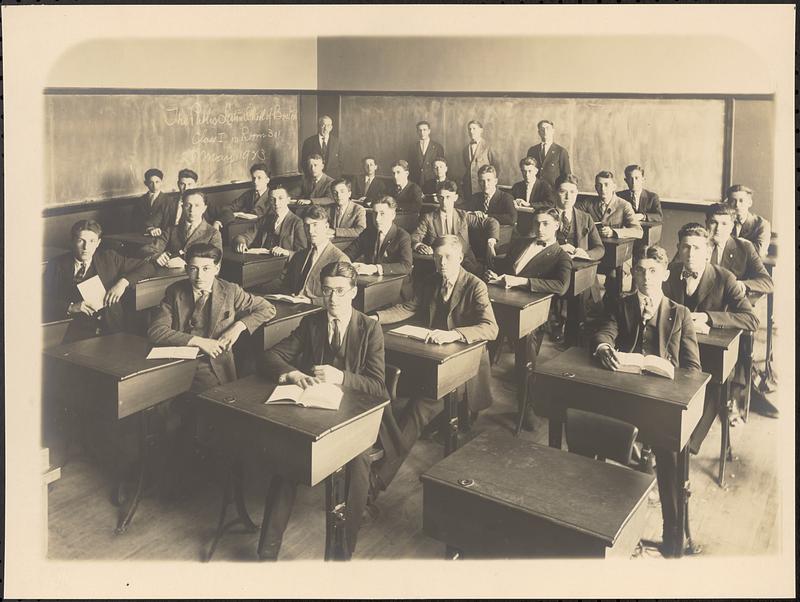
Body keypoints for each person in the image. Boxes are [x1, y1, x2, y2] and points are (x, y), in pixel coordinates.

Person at [259, 262, 386, 559]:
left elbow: (379, 388)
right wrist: (292, 375)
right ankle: (266, 553)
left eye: (340, 291)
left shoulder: (369, 328)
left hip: (355, 416)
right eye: (327, 290)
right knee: (286, 459)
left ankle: (342, 556)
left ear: (353, 292)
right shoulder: (312, 323)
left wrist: (341, 377)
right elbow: (271, 356)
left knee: (358, 467)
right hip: (314, 412)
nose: (332, 298)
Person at [593, 245, 701, 558]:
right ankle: (595, 529)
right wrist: (603, 348)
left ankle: (672, 538)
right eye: (639, 270)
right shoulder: (619, 303)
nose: (645, 277)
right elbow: (605, 331)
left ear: (666, 275)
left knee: (670, 454)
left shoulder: (679, 313)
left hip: (662, 402)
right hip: (622, 394)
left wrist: (673, 384)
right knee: (590, 432)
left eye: (653, 271)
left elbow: (692, 369)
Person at [370, 235, 499, 494]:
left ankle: (377, 481)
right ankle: (377, 452)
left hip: (462, 367)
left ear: (460, 258)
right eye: (437, 257)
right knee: (382, 387)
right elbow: (408, 307)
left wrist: (455, 334)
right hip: (431, 360)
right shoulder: (431, 281)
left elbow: (491, 328)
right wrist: (374, 318)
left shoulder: (475, 285)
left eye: (448, 257)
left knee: (419, 408)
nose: (442, 263)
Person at [663, 223, 758, 485]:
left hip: (710, 356)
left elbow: (750, 319)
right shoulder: (669, 273)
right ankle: (658, 439)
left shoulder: (724, 278)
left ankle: (685, 446)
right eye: (685, 247)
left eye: (697, 248)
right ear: (678, 250)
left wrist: (708, 317)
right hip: (675, 351)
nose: (690, 253)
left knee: (711, 388)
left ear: (708, 252)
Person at [485, 207, 572, 430]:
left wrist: (522, 282)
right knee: (483, 349)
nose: (540, 229)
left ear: (557, 226)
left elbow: (561, 286)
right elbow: (506, 267)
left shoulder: (560, 255)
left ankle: (527, 409)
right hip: (505, 304)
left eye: (545, 224)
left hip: (534, 313)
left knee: (526, 362)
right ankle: (473, 405)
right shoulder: (522, 242)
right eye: (537, 223)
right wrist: (494, 275)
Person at [148, 243, 276, 392]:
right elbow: (156, 331)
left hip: (213, 363)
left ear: (217, 269)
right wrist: (199, 342)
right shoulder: (174, 291)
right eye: (193, 269)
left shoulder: (230, 290)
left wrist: (238, 327)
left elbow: (268, 308)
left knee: (207, 394)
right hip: (179, 360)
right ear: (186, 269)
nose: (199, 276)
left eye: (206, 269)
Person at [43, 219, 154, 343]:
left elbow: (147, 266)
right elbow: (41, 300)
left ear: (98, 243)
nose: (86, 247)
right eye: (81, 241)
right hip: (74, 332)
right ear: (73, 241)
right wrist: (71, 307)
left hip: (111, 329)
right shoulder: (57, 264)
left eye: (92, 241)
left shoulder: (109, 258)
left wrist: (122, 284)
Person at [549, 173, 605, 340]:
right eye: (563, 191)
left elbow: (600, 248)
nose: (568, 197)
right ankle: (556, 322)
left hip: (578, 270)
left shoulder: (585, 218)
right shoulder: (544, 215)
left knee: (582, 290)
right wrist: (557, 249)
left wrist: (585, 253)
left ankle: (573, 333)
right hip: (551, 269)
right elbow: (533, 244)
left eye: (572, 192)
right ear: (554, 192)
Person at [265, 204, 351, 304]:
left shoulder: (339, 259)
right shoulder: (299, 255)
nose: (310, 231)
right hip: (294, 306)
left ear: (326, 227)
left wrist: (311, 301)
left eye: (315, 225)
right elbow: (286, 285)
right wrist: (288, 296)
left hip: (318, 310)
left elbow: (344, 298)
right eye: (307, 226)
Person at [578, 170, 643, 303]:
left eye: (607, 185)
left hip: (615, 256)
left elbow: (638, 231)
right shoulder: (587, 203)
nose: (603, 189)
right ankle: (590, 307)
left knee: (613, 279)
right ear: (595, 187)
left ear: (614, 186)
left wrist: (615, 232)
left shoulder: (624, 205)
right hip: (592, 252)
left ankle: (611, 311)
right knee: (580, 275)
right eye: (599, 185)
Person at [412, 179, 499, 275]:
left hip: (465, 262)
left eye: (448, 197)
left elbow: (492, 222)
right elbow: (414, 237)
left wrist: (491, 242)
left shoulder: (463, 216)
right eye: (441, 197)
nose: (444, 201)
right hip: (440, 264)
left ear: (455, 197)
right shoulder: (428, 218)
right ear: (437, 198)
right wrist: (418, 245)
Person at [344, 195, 413, 298]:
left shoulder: (402, 236)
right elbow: (349, 253)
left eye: (382, 214)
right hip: (370, 285)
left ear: (393, 215)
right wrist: (347, 263)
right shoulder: (368, 232)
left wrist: (374, 268)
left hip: (396, 289)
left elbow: (406, 266)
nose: (377, 219)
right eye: (374, 214)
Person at [704, 203, 773, 294]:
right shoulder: (694, 244)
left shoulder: (744, 247)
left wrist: (739, 285)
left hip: (729, 303)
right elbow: (679, 273)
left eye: (724, 224)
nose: (718, 229)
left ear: (731, 226)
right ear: (706, 223)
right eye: (713, 223)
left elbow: (767, 283)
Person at [141, 190, 222, 265]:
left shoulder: (213, 233)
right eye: (188, 205)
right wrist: (156, 256)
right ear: (182, 207)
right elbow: (146, 249)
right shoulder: (172, 230)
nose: (192, 210)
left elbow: (215, 263)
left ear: (204, 208)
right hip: (171, 275)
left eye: (197, 205)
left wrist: (185, 264)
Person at [232, 185, 307, 257]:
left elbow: (302, 253)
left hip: (284, 266)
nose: (276, 203)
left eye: (280, 198)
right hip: (262, 261)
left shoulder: (297, 222)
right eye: (272, 199)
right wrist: (241, 242)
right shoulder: (265, 219)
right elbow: (245, 236)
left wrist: (286, 252)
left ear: (288, 200)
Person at [213, 163, 273, 228]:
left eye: (259, 178)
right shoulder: (248, 194)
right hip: (246, 228)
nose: (255, 181)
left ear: (267, 180)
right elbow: (231, 207)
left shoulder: (273, 196)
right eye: (253, 178)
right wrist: (219, 221)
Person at [726, 184, 771, 258]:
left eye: (741, 201)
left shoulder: (762, 224)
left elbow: (759, 252)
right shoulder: (724, 222)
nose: (737, 205)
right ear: (728, 203)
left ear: (749, 203)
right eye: (733, 201)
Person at [526, 120, 571, 188]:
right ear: (539, 132)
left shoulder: (561, 151)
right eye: (542, 129)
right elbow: (527, 171)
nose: (545, 131)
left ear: (553, 131)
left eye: (547, 128)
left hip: (553, 191)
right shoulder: (532, 150)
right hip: (536, 191)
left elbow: (566, 175)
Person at [461, 120, 497, 199]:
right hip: (469, 189)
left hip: (484, 188)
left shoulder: (488, 147)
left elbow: (496, 167)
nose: (471, 131)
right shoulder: (465, 150)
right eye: (469, 129)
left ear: (481, 130)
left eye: (474, 129)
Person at [131, 168, 172, 236]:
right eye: (151, 182)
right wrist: (147, 229)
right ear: (146, 183)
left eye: (157, 182)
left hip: (162, 236)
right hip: (143, 234)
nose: (154, 186)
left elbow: (168, 223)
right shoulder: (140, 200)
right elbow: (135, 221)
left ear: (161, 182)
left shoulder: (168, 200)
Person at [408, 120, 445, 186]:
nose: (422, 132)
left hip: (432, 181)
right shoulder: (412, 147)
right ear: (417, 132)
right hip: (416, 181)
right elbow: (411, 166)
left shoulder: (437, 147)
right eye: (420, 130)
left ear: (429, 131)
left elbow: (442, 166)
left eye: (424, 130)